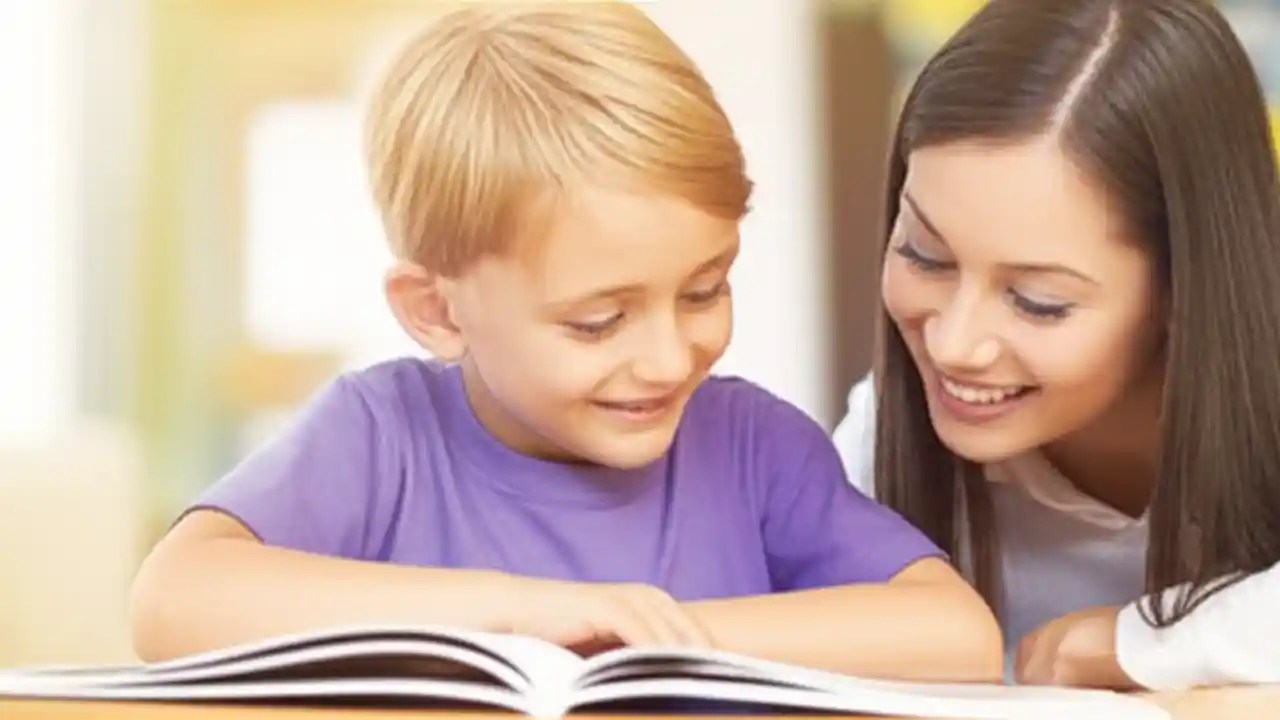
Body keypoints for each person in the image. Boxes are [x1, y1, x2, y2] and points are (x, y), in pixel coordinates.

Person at [129, 1, 1002, 681]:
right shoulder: (381, 434)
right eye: (598, 321)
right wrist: (522, 615)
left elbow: (956, 634)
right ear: (437, 311)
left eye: (705, 290)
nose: (668, 359)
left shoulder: (751, 449)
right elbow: (174, 600)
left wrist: (656, 638)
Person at [833, 0, 1280, 692]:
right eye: (925, 255)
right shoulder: (882, 440)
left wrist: (1134, 645)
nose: (955, 344)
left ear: (1185, 289)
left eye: (1038, 301)